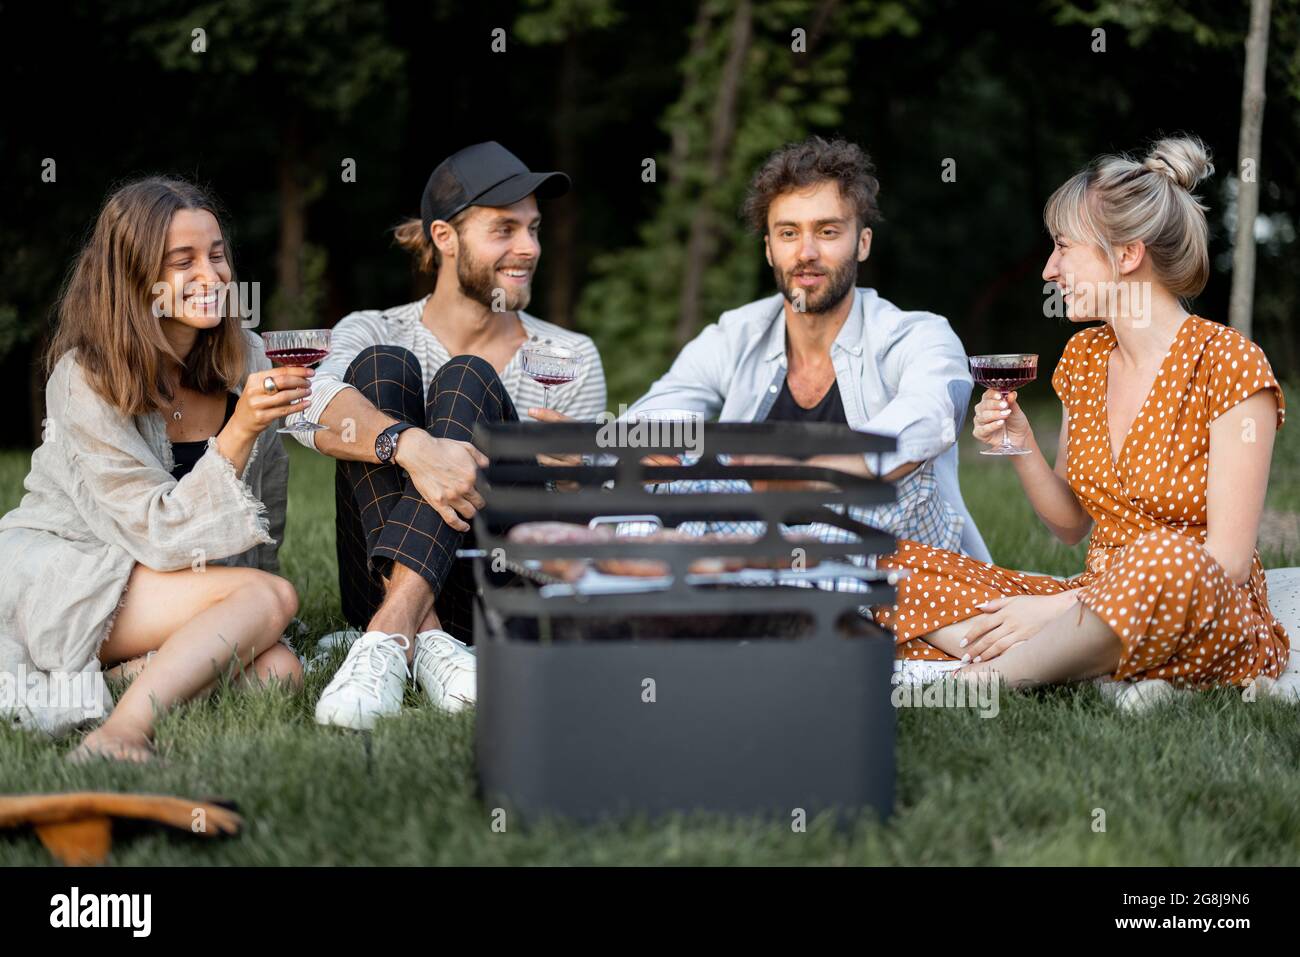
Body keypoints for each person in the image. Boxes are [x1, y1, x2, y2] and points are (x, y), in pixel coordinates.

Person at [870, 136, 1289, 694]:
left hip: (1203, 607)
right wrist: (1019, 441)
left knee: (1169, 557)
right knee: (878, 561)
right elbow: (1069, 524)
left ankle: (996, 674)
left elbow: (1228, 563)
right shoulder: (1085, 359)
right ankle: (1069, 655)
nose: (1049, 269)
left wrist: (1054, 609)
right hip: (1086, 597)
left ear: (1127, 254)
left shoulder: (1230, 363)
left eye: (1064, 247)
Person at [534, 135, 990, 561]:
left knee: (904, 476)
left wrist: (800, 470)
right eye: (788, 233)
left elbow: (929, 422)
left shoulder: (917, 334)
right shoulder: (737, 334)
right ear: (769, 249)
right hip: (755, 548)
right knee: (650, 489)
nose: (806, 252)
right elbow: (659, 412)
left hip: (889, 558)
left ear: (862, 242)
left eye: (827, 232)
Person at [290, 142, 607, 729]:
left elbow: (583, 525)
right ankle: (424, 633)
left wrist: (579, 476)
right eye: (504, 229)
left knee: (466, 378)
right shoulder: (374, 328)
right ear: (444, 237)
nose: (529, 248)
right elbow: (307, 409)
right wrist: (412, 447)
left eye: (534, 229)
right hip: (375, 578)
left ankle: (390, 635)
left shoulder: (568, 356)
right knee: (380, 370)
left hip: (500, 583)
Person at [0, 177, 306, 762]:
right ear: (133, 276)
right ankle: (119, 734)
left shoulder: (249, 360)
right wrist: (239, 430)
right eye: (181, 261)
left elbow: (263, 515)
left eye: (217, 255)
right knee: (270, 599)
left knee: (278, 672)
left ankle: (106, 685)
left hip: (166, 592)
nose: (210, 276)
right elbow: (160, 538)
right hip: (70, 570)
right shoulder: (85, 378)